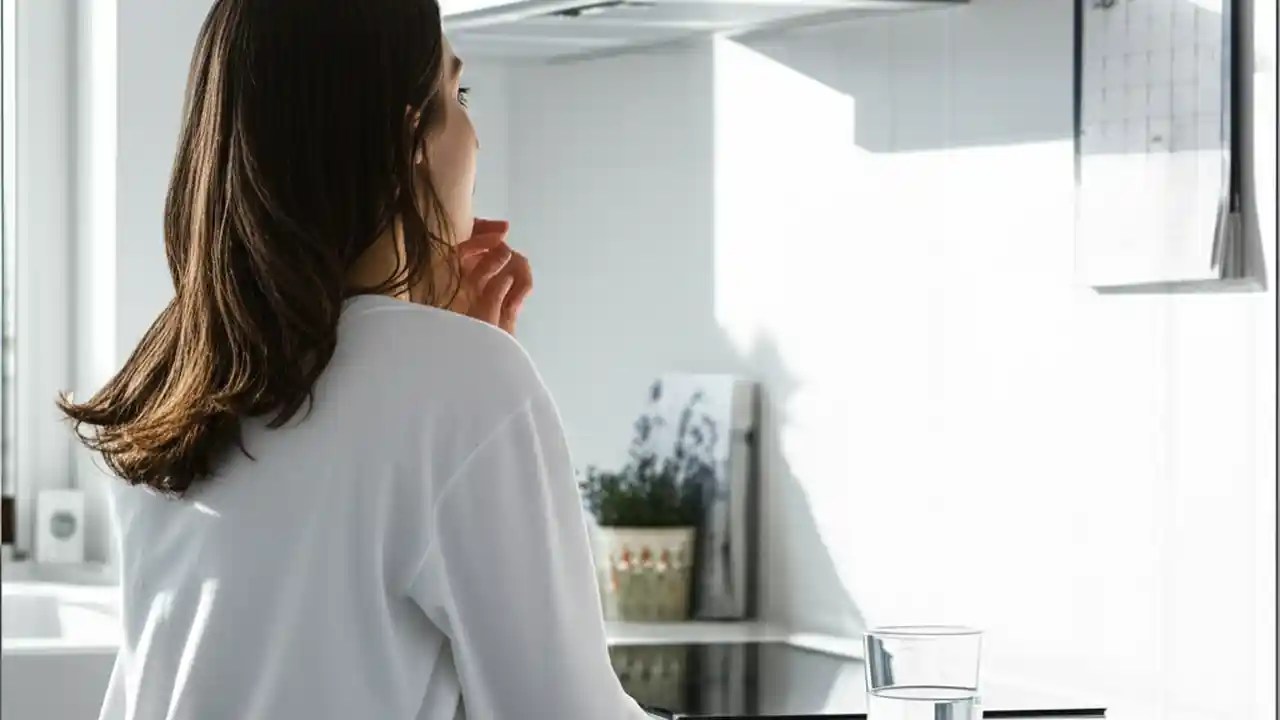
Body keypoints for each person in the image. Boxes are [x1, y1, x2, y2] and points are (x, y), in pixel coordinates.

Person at [58, 1, 650, 718]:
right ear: (408, 141)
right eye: (456, 96)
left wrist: (437, 342)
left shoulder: (175, 370)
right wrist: (460, 361)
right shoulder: (466, 385)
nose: (476, 137)